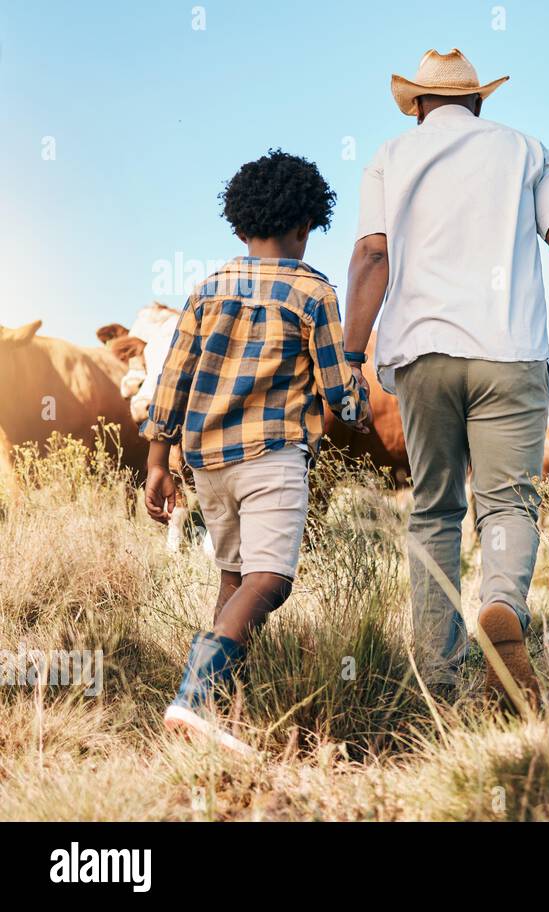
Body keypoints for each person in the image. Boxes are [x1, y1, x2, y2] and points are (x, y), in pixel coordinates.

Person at [342, 48, 549, 705]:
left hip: (420, 355)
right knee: (506, 502)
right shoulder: (526, 150)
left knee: (434, 510)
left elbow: (370, 255)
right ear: (477, 101)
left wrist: (353, 357)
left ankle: (437, 672)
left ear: (417, 106)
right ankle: (501, 602)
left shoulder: (390, 156)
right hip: (511, 350)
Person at [142, 150, 371, 754]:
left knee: (235, 577)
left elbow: (172, 378)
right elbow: (337, 393)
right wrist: (361, 395)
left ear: (240, 226)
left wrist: (156, 463)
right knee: (271, 579)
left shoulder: (207, 288)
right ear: (305, 227)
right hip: (271, 456)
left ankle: (214, 716)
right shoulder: (313, 292)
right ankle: (196, 694)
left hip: (207, 462)